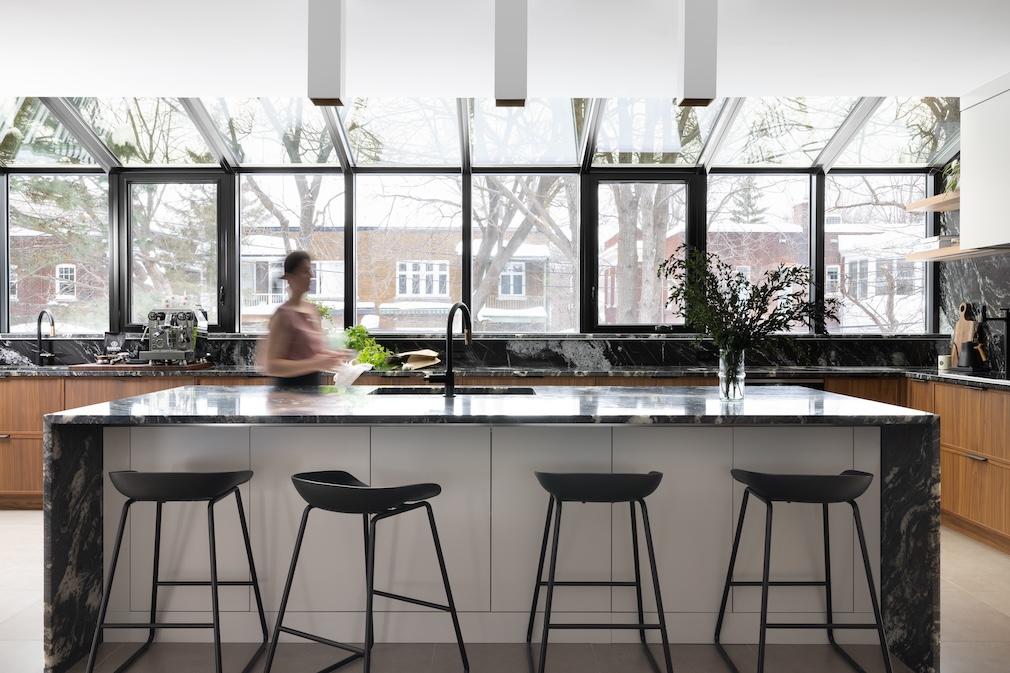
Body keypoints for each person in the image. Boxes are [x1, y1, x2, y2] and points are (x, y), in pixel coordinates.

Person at [260, 250, 349, 387]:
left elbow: (310, 353)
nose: (311, 276)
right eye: (305, 271)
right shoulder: (283, 315)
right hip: (288, 395)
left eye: (311, 271)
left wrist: (332, 357)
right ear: (290, 277)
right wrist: (317, 363)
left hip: (311, 391)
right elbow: (271, 366)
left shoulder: (312, 310)